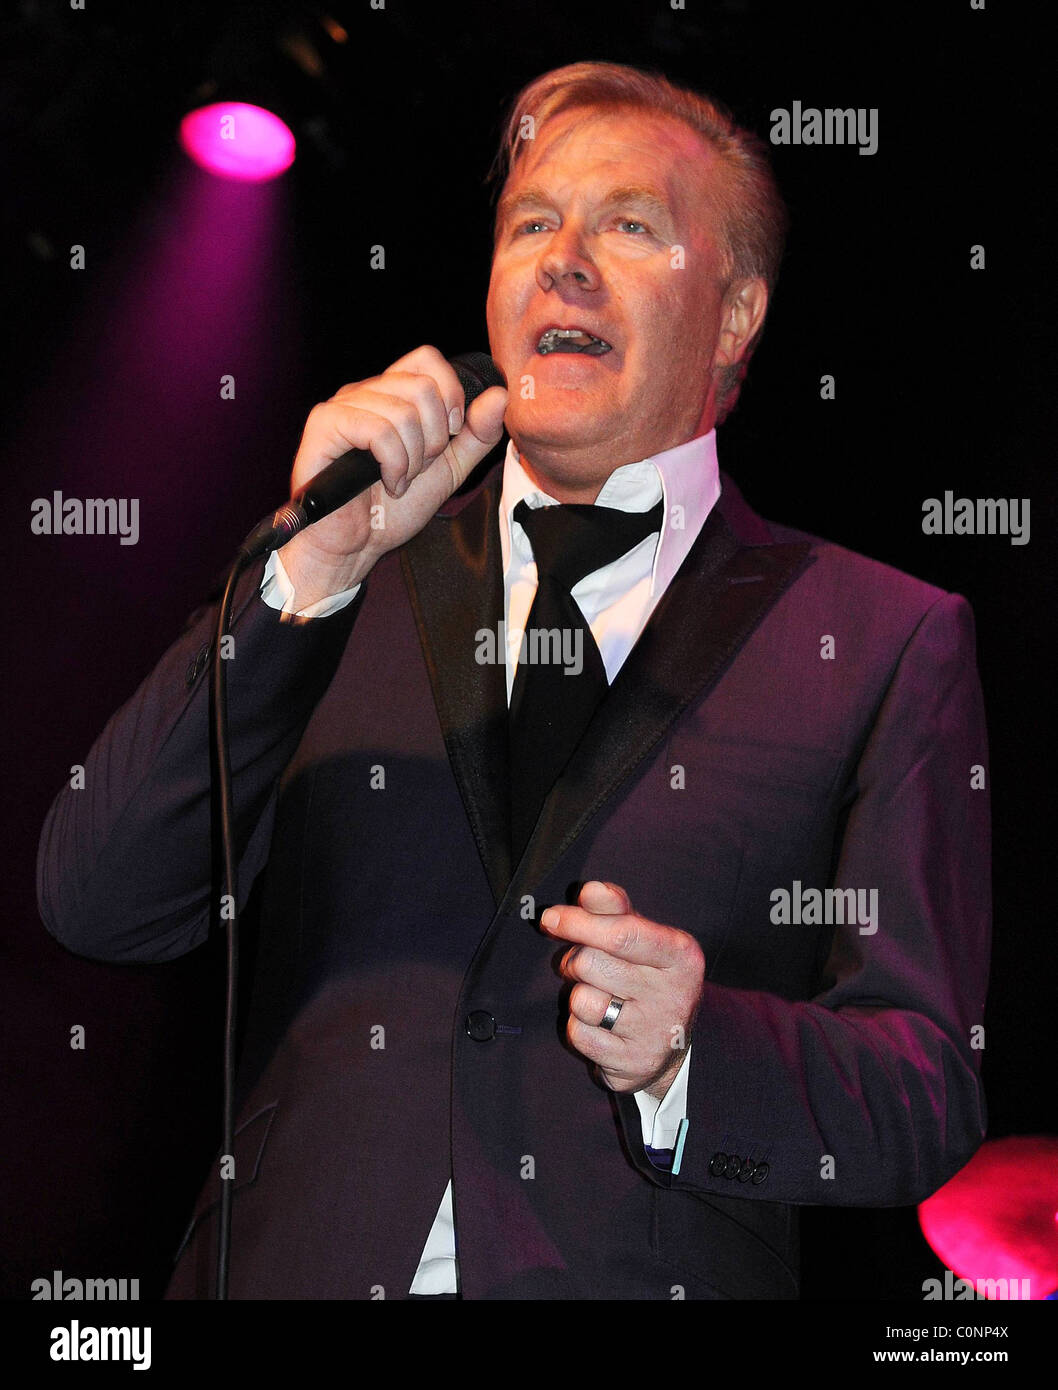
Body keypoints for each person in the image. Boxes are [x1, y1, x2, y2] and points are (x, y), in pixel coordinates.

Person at [37, 61, 990, 1300]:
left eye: (629, 225)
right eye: (531, 223)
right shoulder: (346, 570)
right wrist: (299, 569)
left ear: (738, 313)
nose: (565, 259)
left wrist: (692, 1055)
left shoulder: (878, 636)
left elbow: (925, 1083)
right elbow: (98, 897)